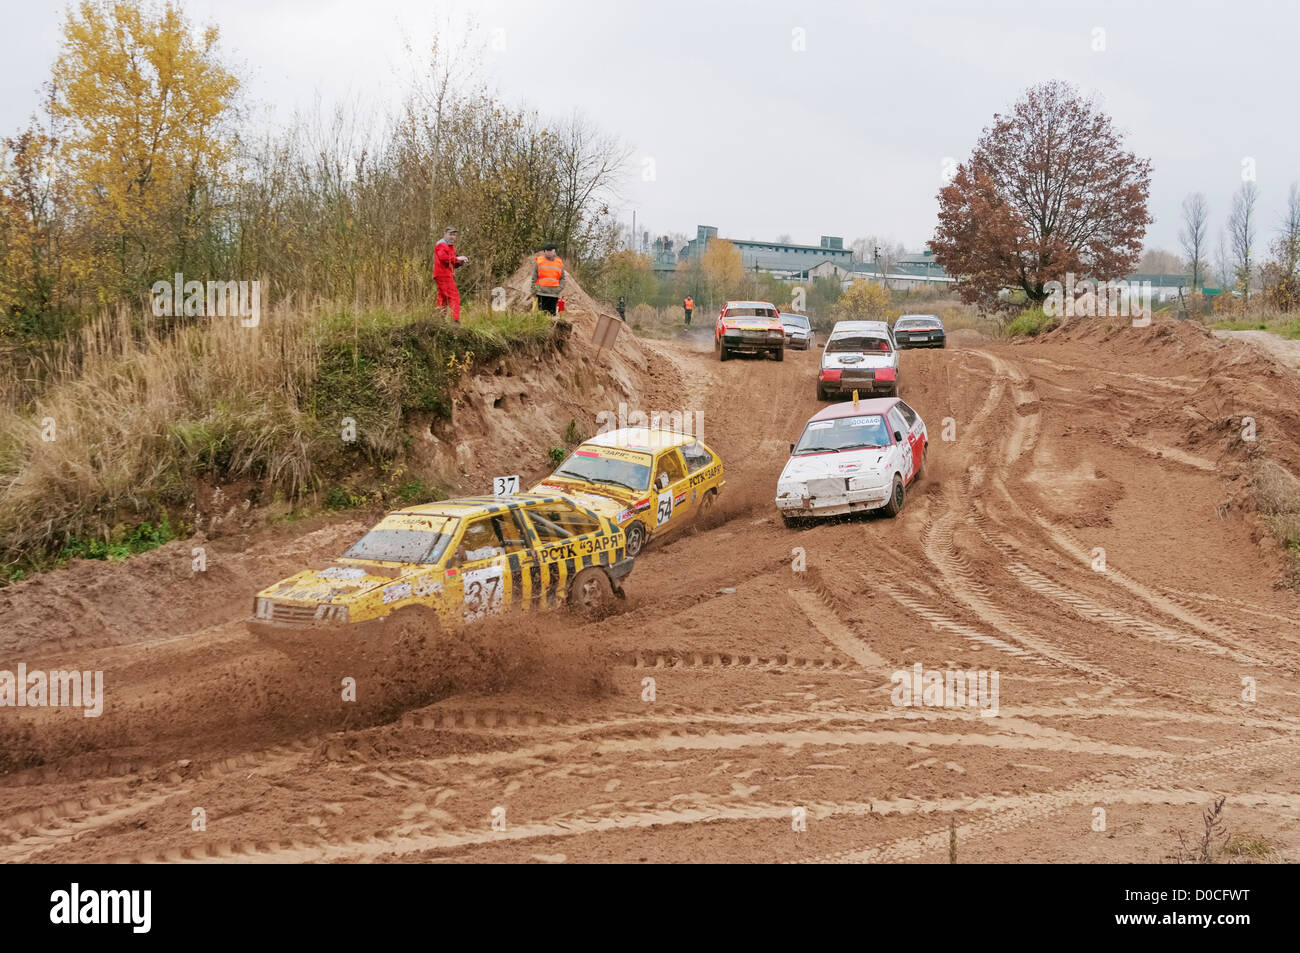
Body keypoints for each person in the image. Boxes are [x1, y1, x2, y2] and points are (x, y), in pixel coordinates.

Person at [433, 226, 468, 322]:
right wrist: (458, 258)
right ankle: (456, 321)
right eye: (450, 234)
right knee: (454, 296)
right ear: (445, 234)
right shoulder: (441, 245)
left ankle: (439, 320)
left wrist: (459, 263)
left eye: (454, 235)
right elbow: (444, 258)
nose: (452, 237)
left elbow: (451, 263)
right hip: (443, 275)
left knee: (443, 298)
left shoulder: (450, 246)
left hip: (444, 274)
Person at [533, 243, 565, 314]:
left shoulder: (559, 263)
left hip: (554, 294)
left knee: (552, 316)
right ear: (544, 251)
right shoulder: (539, 262)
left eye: (551, 250)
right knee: (541, 316)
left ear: (554, 251)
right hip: (542, 293)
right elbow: (534, 278)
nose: (549, 252)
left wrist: (559, 289)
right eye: (547, 250)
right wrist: (534, 291)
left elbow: (562, 278)